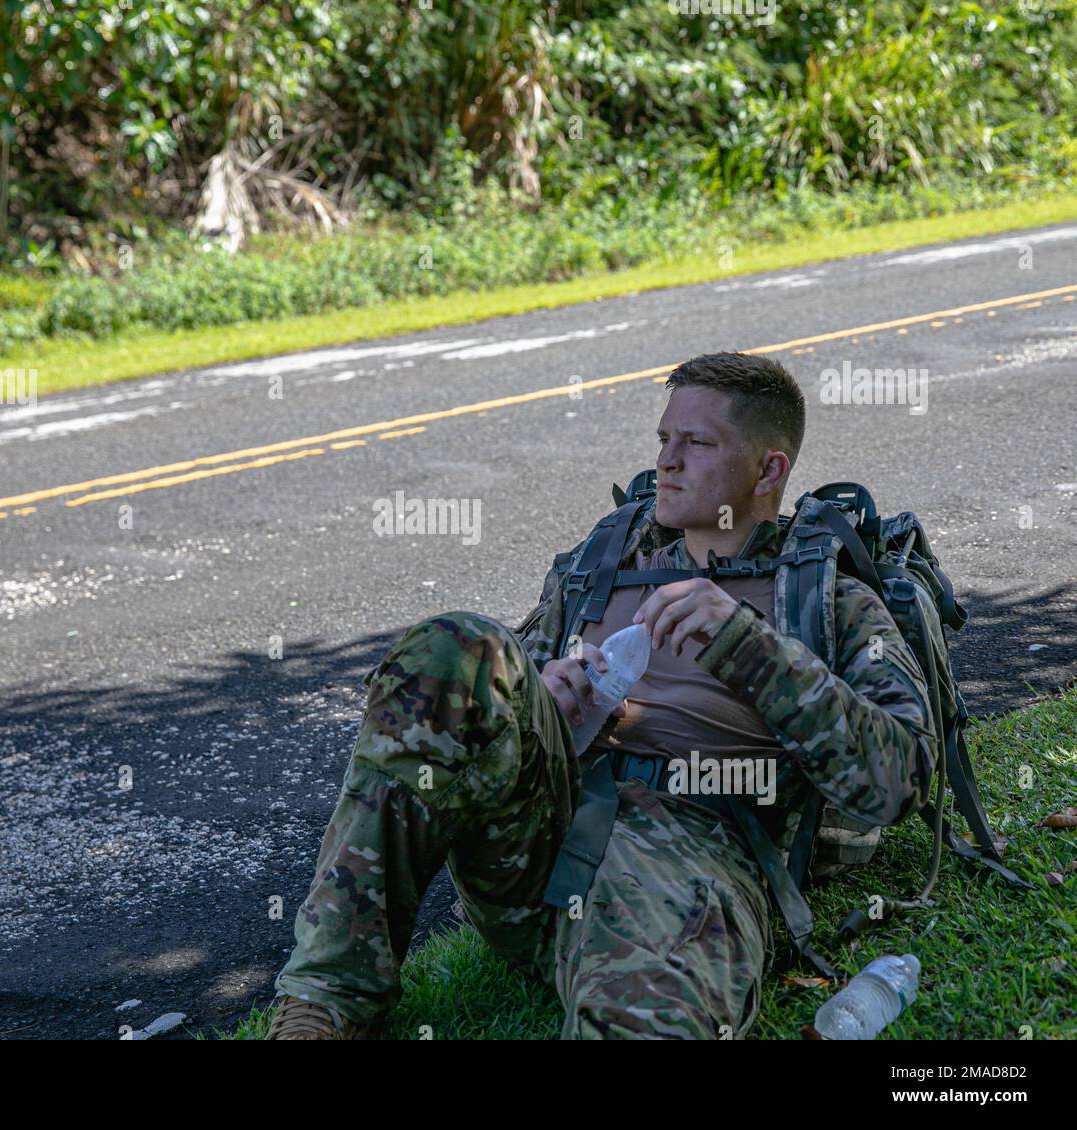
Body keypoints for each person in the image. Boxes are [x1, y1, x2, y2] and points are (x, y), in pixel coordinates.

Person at [265, 351, 936, 1039]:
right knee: (458, 646)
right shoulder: (608, 565)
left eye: (697, 443)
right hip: (537, 844)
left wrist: (749, 645)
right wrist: (542, 696)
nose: (668, 462)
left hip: (690, 857)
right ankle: (326, 1003)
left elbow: (900, 779)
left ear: (768, 471)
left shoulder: (826, 600)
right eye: (663, 440)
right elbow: (490, 683)